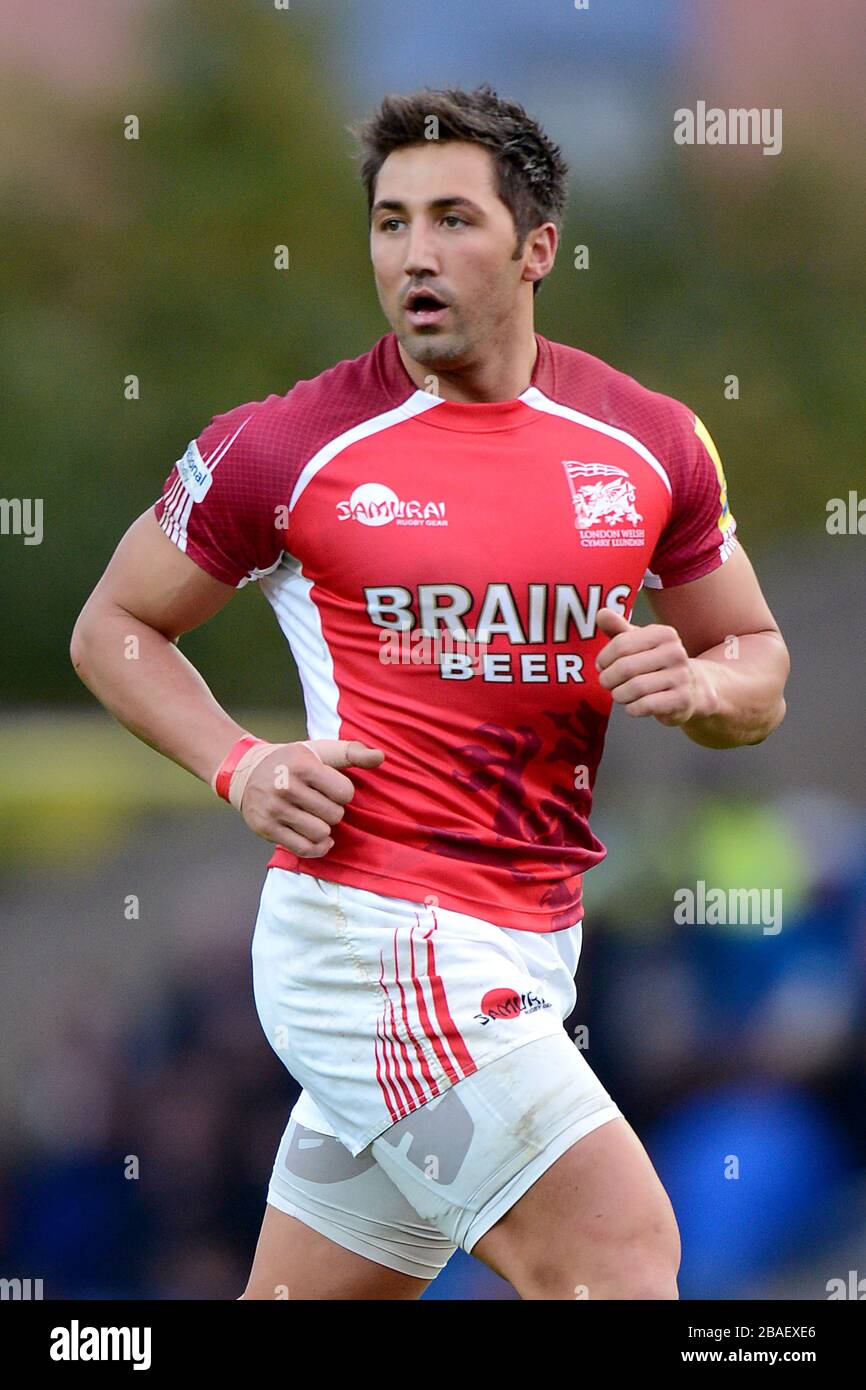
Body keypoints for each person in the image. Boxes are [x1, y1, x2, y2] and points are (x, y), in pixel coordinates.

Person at [70, 84, 790, 1300]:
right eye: (390, 222)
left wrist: (697, 680)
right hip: (372, 941)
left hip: (527, 942)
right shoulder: (286, 444)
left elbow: (757, 665)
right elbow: (113, 627)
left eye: (453, 219)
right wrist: (238, 762)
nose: (415, 254)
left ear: (536, 247)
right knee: (617, 1251)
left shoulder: (649, 441)